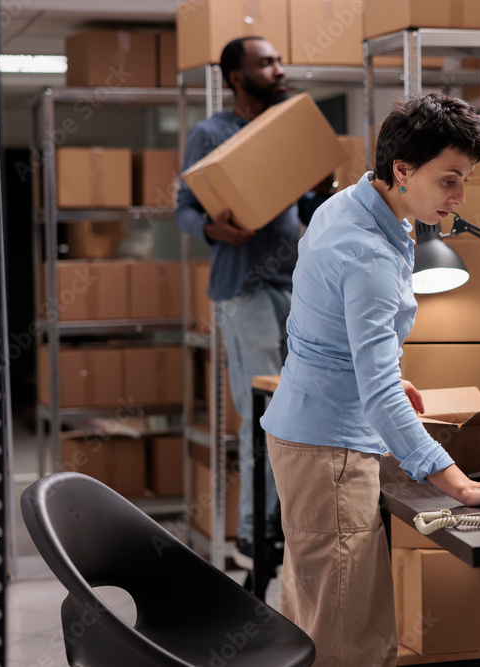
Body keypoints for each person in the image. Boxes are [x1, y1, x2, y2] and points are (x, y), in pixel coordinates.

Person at [261, 92, 480, 666]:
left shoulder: (350, 203)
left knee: (313, 620)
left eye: (465, 180)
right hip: (330, 452)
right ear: (402, 170)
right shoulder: (366, 252)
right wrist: (464, 489)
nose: (459, 198)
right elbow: (377, 391)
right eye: (449, 181)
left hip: (309, 434)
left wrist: (378, 371)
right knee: (351, 643)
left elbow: (320, 328)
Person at [176, 36, 299, 569]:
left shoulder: (286, 130)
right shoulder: (210, 133)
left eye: (277, 61)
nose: (278, 69)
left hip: (296, 284)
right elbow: (182, 210)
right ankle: (254, 534)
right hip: (243, 288)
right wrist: (212, 228)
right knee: (265, 415)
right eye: (265, 63)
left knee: (299, 413)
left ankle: (284, 522)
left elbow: (306, 202)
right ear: (235, 76)